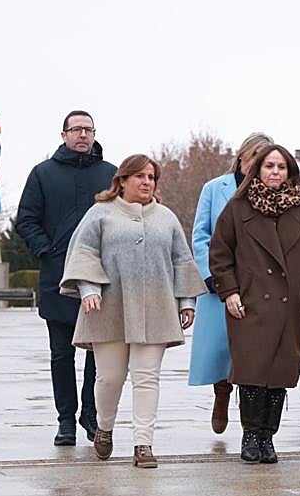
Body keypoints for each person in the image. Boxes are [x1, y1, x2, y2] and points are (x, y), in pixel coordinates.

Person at [59, 154, 205, 468]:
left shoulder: (166, 217)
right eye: (139, 176)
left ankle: (143, 444)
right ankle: (105, 427)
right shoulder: (100, 213)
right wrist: (89, 289)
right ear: (122, 180)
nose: (146, 182)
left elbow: (181, 260)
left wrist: (187, 302)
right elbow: (83, 253)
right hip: (107, 309)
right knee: (110, 378)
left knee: (147, 377)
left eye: (151, 177)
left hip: (155, 308)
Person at [209, 144, 300, 464]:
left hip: (290, 305)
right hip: (249, 303)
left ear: (290, 172)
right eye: (269, 166)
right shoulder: (237, 208)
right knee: (252, 371)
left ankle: (268, 437)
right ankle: (250, 435)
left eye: (281, 167)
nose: (275, 172)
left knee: (280, 372)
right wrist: (230, 292)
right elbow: (220, 254)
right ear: (257, 170)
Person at [16, 110, 117, 446]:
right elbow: (26, 220)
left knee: (97, 356)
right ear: (63, 134)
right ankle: (65, 421)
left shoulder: (111, 174)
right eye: (76, 129)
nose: (83, 135)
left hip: (100, 281)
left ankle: (91, 417)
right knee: (61, 353)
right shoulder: (42, 174)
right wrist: (47, 250)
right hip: (56, 277)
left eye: (88, 129)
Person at [188, 132, 272, 435]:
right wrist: (210, 274)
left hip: (259, 281)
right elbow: (201, 234)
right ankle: (221, 394)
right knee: (220, 348)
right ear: (241, 158)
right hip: (220, 280)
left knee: (253, 350)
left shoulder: (271, 191)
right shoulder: (214, 189)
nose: (257, 167)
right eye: (253, 159)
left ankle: (251, 414)